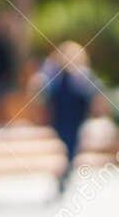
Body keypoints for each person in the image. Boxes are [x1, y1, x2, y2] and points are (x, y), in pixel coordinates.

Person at [35, 41, 101, 195]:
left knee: (71, 149)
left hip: (75, 120)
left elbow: (91, 95)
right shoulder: (56, 76)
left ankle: (64, 174)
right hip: (61, 119)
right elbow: (46, 93)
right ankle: (64, 173)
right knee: (66, 147)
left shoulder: (81, 76)